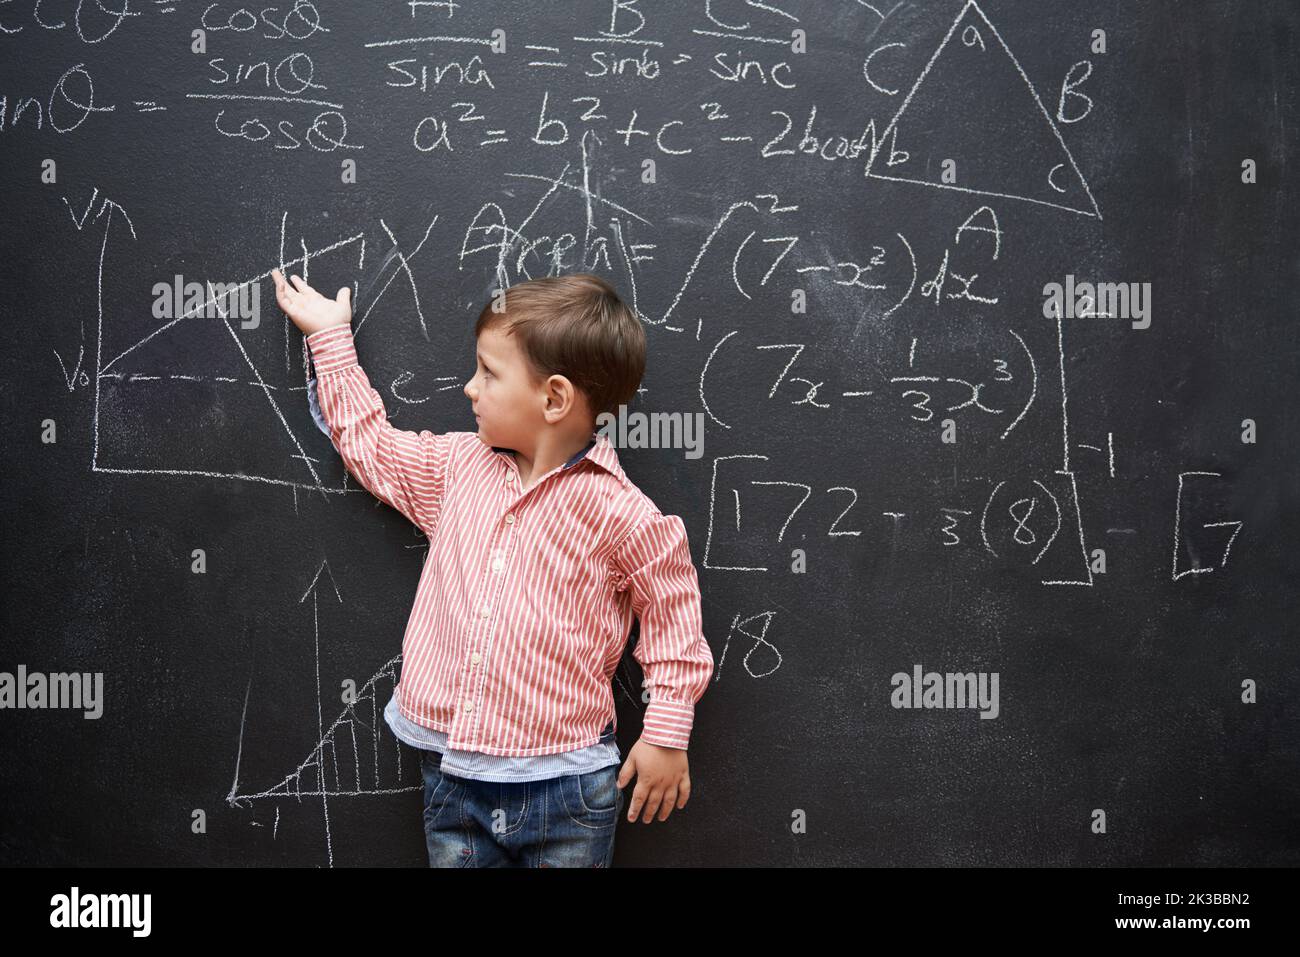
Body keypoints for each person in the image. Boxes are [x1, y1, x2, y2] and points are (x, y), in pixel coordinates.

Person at [271, 268, 714, 867]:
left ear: (553, 398)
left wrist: (665, 730)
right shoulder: (457, 469)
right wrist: (330, 340)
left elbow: (673, 614)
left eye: (488, 372)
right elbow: (372, 449)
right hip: (454, 777)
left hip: (569, 784)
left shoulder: (623, 513)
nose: (469, 388)